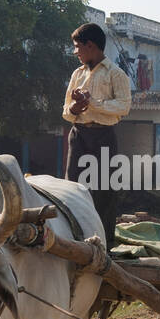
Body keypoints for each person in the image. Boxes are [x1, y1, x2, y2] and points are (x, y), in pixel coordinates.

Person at [62, 22, 132, 250]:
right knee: (72, 188)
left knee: (105, 192)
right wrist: (75, 109)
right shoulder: (76, 74)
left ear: (90, 45)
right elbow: (65, 111)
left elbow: (123, 107)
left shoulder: (116, 74)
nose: (75, 52)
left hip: (104, 136)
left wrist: (92, 103)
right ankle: (72, 240)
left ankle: (106, 247)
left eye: (77, 47)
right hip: (79, 135)